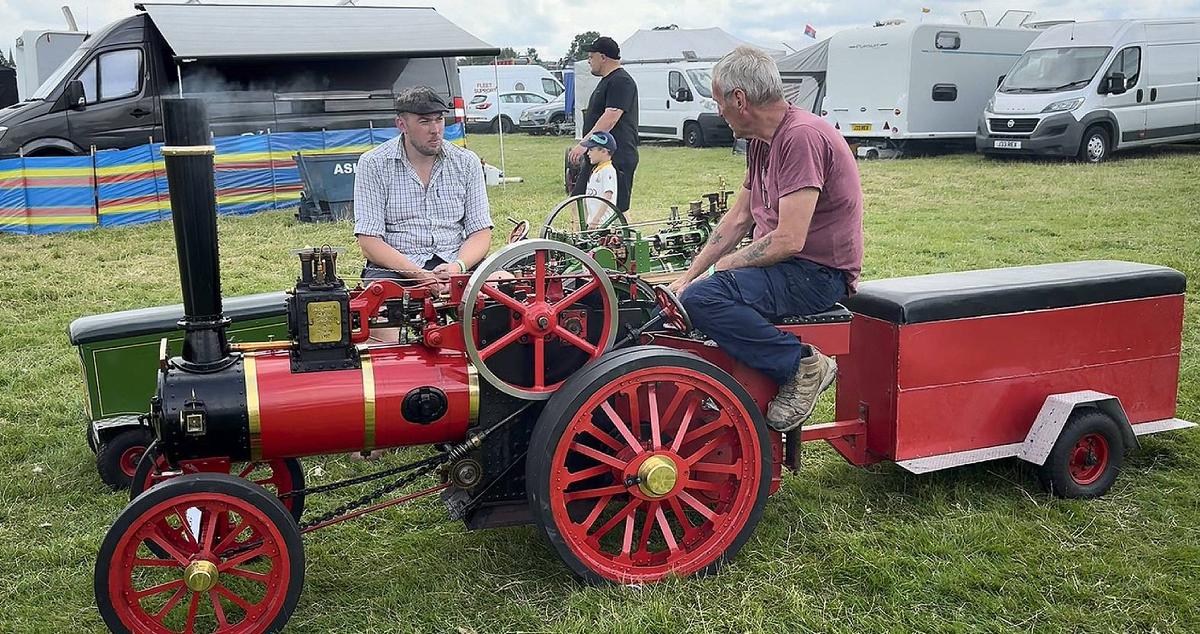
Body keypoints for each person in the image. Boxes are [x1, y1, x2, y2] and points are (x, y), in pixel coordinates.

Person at [669, 46, 864, 432]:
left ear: (738, 99)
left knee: (706, 298)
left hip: (819, 274)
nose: (718, 111)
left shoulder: (801, 137)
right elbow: (739, 218)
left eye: (717, 100)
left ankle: (803, 364)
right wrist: (688, 276)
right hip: (791, 266)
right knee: (694, 292)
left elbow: (789, 239)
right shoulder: (762, 141)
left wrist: (724, 268)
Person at [353, 86, 493, 291]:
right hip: (398, 267)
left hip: (456, 261)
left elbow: (481, 232)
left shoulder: (466, 161)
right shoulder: (373, 163)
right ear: (402, 124)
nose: (435, 129)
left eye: (439, 119)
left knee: (503, 291)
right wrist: (420, 275)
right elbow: (369, 242)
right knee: (383, 314)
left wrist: (457, 267)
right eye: (424, 121)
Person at [569, 36, 639, 211]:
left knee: (615, 209)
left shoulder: (621, 81)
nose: (588, 60)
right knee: (580, 199)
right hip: (597, 156)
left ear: (603, 57)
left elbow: (611, 116)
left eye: (591, 56)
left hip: (616, 156)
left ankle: (621, 237)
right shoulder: (607, 81)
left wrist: (585, 143)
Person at [580, 131, 618, 227]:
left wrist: (596, 220)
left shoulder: (608, 171)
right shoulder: (596, 170)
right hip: (593, 223)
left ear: (604, 151)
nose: (588, 153)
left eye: (591, 149)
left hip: (602, 224)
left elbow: (608, 196)